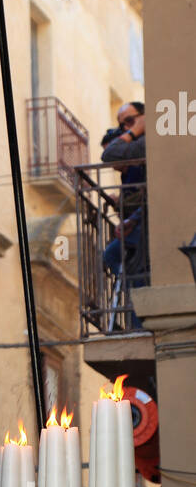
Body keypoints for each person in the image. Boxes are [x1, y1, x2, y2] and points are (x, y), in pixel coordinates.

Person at [100, 101, 148, 326]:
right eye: (122, 126)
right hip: (141, 221)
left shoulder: (145, 143)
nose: (126, 129)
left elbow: (110, 154)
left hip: (146, 223)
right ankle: (137, 323)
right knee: (128, 267)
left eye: (130, 121)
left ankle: (139, 324)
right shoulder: (137, 149)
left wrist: (135, 130)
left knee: (117, 258)